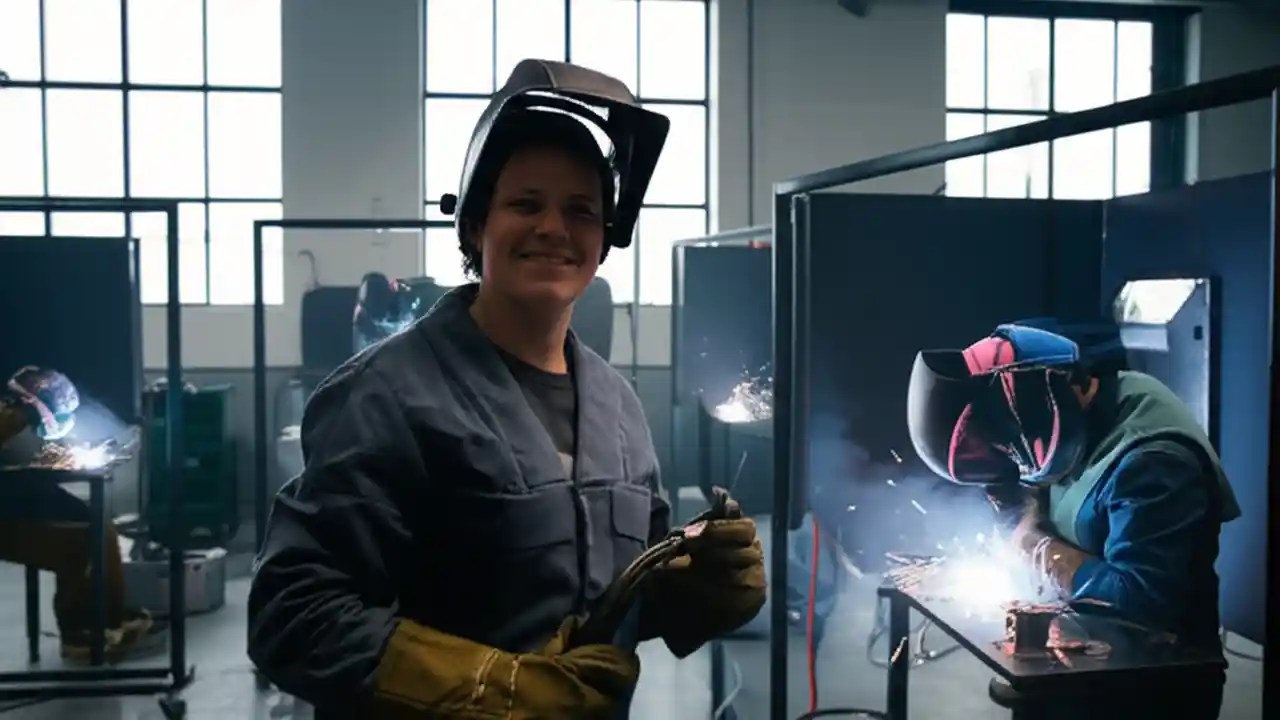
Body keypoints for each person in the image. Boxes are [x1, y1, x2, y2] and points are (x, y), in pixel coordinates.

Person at [248, 59, 767, 719]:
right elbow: (291, 616)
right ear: (475, 225)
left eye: (581, 210)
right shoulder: (386, 394)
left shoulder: (617, 408)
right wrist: (490, 688)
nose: (554, 228)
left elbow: (616, 596)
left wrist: (697, 589)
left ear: (604, 239)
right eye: (526, 204)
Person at [906, 323, 1238, 718]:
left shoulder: (1153, 463)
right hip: (1086, 662)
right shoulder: (1082, 409)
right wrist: (1021, 514)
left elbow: (1141, 602)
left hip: (1148, 686)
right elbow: (1033, 480)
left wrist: (1034, 547)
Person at [0, 366, 152, 662]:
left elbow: (25, 456)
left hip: (15, 501)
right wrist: (26, 413)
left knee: (99, 526)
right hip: (7, 519)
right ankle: (82, 633)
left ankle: (109, 619)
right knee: (88, 539)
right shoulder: (12, 416)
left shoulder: (14, 419)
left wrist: (76, 455)